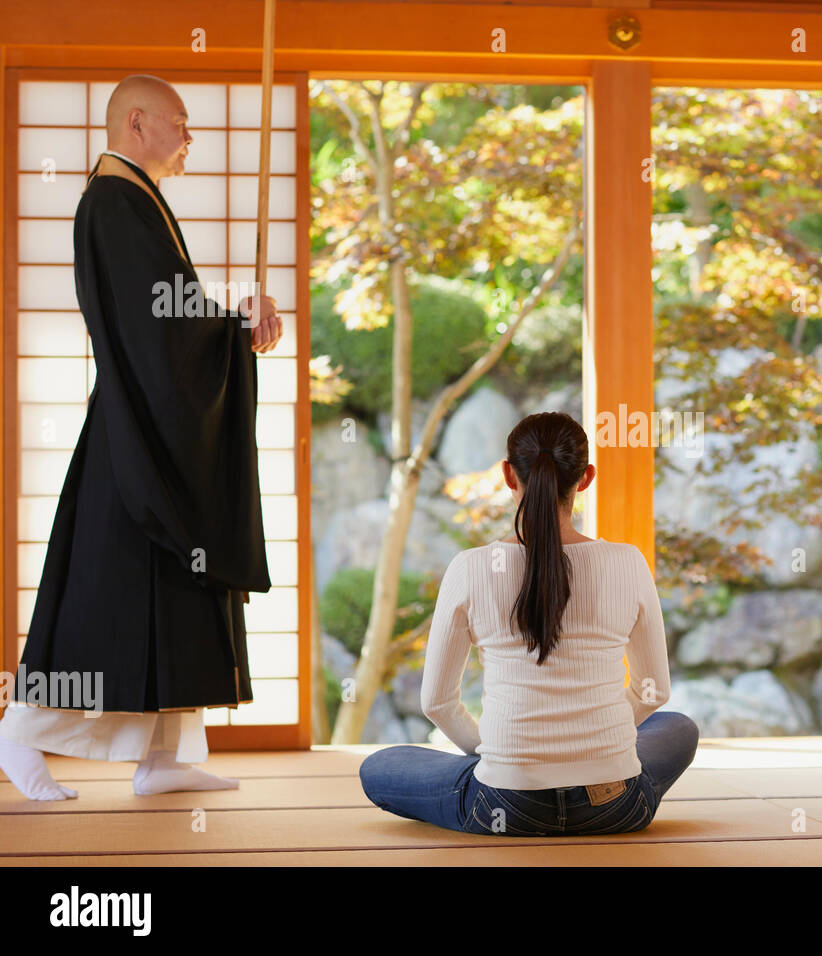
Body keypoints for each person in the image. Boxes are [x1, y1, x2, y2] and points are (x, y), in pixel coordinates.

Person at [0, 74, 283, 801]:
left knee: (169, 587)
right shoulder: (116, 202)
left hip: (146, 425)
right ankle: (20, 732)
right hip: (135, 436)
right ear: (137, 122)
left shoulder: (132, 200)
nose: (192, 139)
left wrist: (230, 322)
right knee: (105, 592)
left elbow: (172, 314)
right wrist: (231, 328)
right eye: (180, 124)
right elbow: (163, 333)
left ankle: (160, 757)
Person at [360, 412, 699, 835]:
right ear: (586, 477)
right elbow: (655, 691)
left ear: (507, 474)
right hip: (615, 805)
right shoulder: (627, 562)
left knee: (380, 766)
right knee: (677, 727)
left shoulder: (471, 567)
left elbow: (437, 704)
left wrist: (493, 753)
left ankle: (507, 769)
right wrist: (596, 743)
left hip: (507, 805)